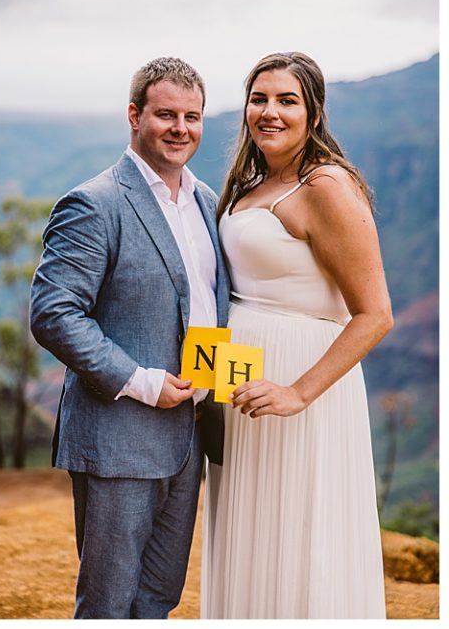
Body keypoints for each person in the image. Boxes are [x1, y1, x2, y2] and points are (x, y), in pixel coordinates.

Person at [29, 57, 229, 618]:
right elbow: (53, 314)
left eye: (192, 116)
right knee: (109, 606)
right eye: (166, 114)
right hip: (119, 438)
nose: (180, 128)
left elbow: (209, 308)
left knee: (157, 601)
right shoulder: (95, 203)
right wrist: (141, 382)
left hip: (189, 437)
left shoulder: (209, 204)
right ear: (135, 115)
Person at [202, 52, 391, 618]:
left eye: (287, 100)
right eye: (259, 98)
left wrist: (298, 393)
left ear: (313, 112)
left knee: (297, 535)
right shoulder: (249, 183)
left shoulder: (325, 186)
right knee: (246, 531)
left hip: (297, 394)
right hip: (237, 389)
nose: (270, 111)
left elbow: (375, 314)